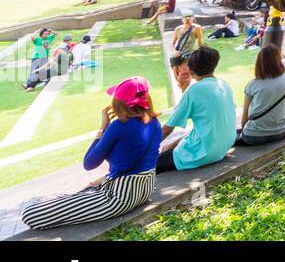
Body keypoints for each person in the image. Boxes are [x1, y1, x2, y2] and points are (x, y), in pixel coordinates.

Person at [20, 77, 161, 230]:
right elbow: (137, 160)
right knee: (49, 200)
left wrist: (102, 128)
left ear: (119, 103)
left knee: (30, 213)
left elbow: (89, 163)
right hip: (145, 189)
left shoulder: (119, 126)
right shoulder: (154, 122)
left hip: (119, 198)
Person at [156, 45, 236, 173]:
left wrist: (143, 150)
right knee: (173, 144)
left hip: (203, 153)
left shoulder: (194, 90)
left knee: (152, 164)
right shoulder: (223, 84)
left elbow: (167, 130)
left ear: (191, 70)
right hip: (224, 146)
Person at [236, 45, 285, 145]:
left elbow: (244, 118)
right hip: (279, 132)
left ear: (259, 62)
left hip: (252, 136)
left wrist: (245, 130)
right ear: (278, 60)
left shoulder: (253, 85)